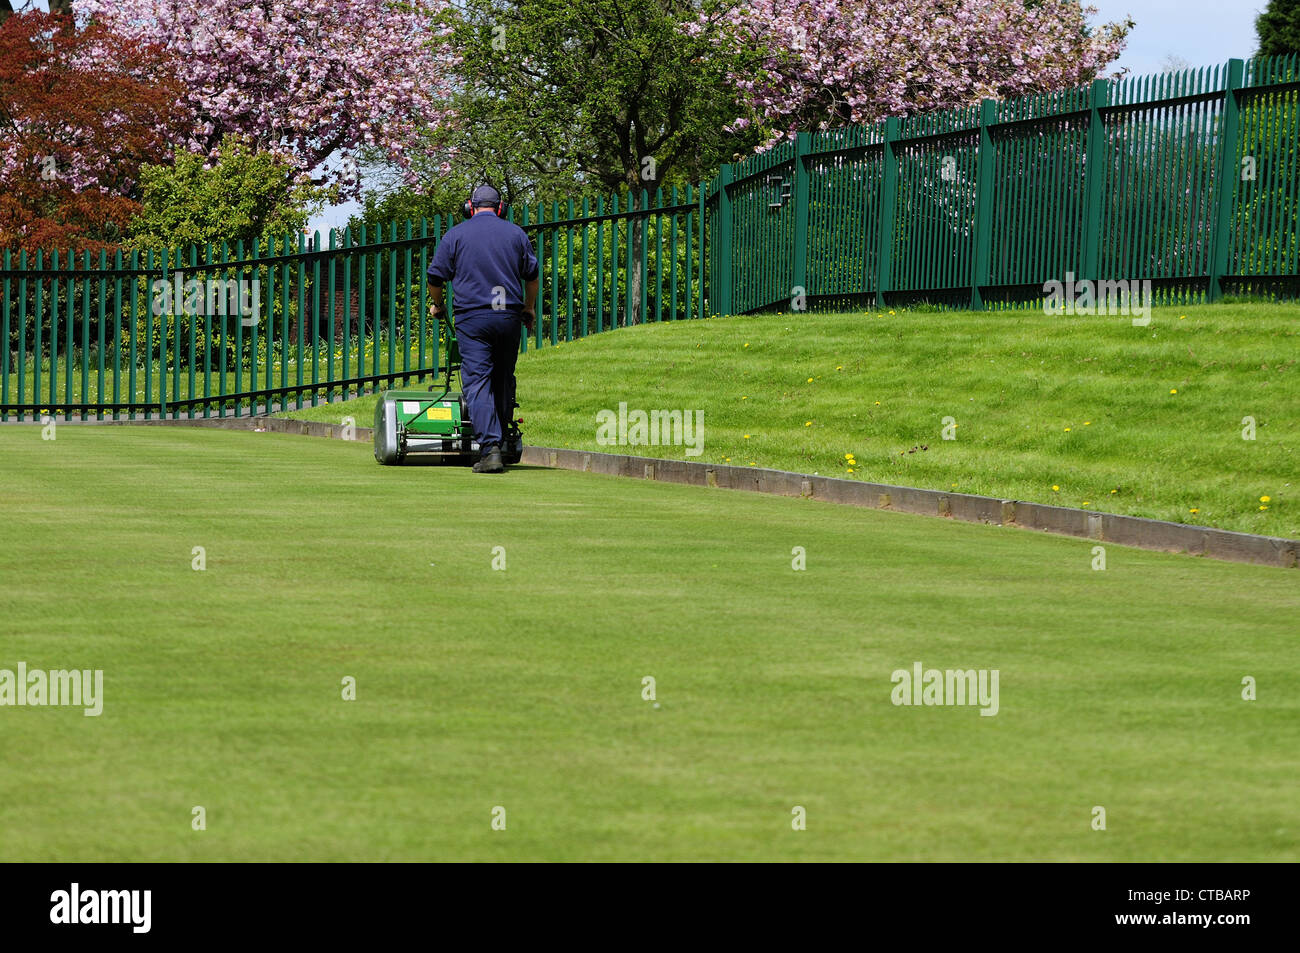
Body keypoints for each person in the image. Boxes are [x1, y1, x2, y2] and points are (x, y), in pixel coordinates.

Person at [426, 185, 539, 473]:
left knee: (477, 381)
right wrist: (528, 307)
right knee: (503, 378)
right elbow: (532, 275)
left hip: (473, 318)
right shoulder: (517, 235)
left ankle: (490, 450)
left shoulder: (455, 235)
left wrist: (438, 305)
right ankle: (502, 442)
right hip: (508, 318)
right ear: (500, 208)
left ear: (470, 207)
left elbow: (435, 278)